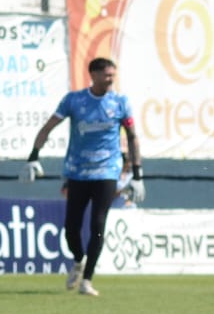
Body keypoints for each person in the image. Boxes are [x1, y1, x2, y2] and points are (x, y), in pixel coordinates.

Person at [29, 57, 141, 296]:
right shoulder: (74, 100)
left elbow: (132, 135)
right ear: (94, 75)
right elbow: (49, 127)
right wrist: (34, 156)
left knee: (98, 223)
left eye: (113, 75)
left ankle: (87, 280)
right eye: (107, 75)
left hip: (107, 171)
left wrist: (138, 173)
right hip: (78, 171)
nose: (111, 79)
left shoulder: (120, 103)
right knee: (71, 227)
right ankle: (78, 259)